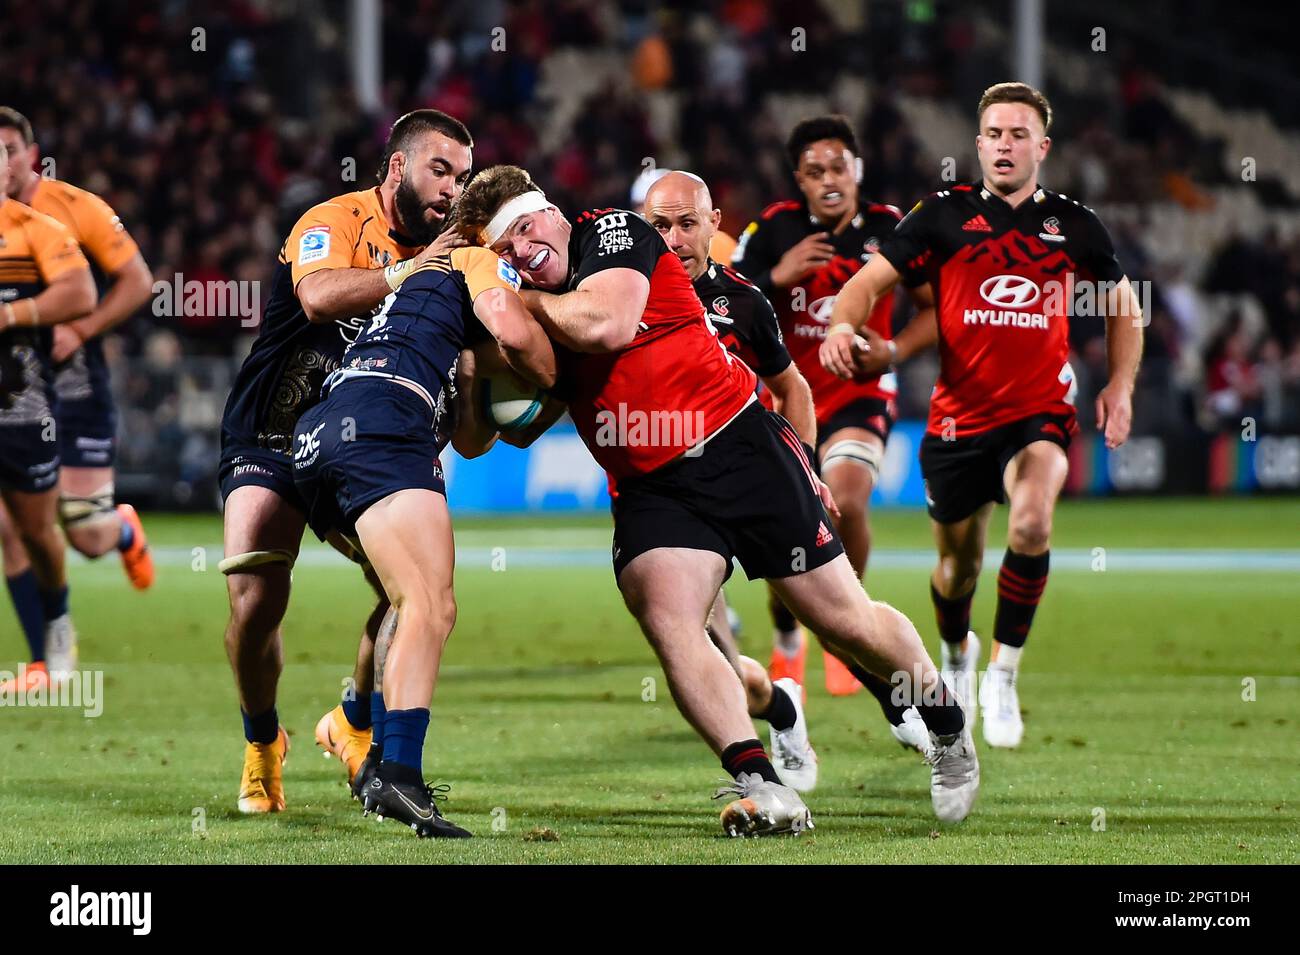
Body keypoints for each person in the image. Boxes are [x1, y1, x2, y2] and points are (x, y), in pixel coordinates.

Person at [456, 165, 980, 833]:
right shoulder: (542, 298)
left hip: (737, 446)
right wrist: (476, 365)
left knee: (845, 622)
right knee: (671, 619)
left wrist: (508, 304)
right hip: (652, 486)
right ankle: (764, 786)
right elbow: (511, 431)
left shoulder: (614, 233)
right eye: (504, 249)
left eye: (527, 227)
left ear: (555, 213)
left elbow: (609, 325)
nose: (523, 250)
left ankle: (945, 723)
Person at [821, 82, 1144, 748]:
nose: (1005, 144)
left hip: (1041, 412)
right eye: (994, 133)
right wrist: (839, 329)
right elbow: (865, 284)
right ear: (978, 143)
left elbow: (1123, 308)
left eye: (1018, 134)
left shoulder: (1074, 224)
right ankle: (958, 654)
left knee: (1031, 520)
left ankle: (1003, 673)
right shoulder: (941, 216)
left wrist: (1121, 383)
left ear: (1042, 147)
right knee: (956, 570)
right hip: (959, 420)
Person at [217, 109, 472, 814]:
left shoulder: (460, 250)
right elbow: (319, 293)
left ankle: (353, 723)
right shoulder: (333, 218)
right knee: (256, 598)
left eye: (463, 176)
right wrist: (415, 269)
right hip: (273, 427)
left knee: (408, 592)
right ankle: (263, 742)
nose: (453, 189)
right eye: (439, 169)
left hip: (363, 442)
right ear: (397, 168)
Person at [293, 244, 556, 837]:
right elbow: (522, 342)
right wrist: (562, 370)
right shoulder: (475, 259)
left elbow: (469, 442)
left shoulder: (421, 309)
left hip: (321, 436)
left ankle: (354, 718)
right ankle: (399, 775)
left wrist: (469, 378)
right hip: (383, 421)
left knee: (399, 601)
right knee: (429, 606)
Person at [732, 115, 935, 709]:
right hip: (787, 401)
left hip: (860, 395)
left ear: (858, 170)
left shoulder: (891, 228)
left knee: (844, 501)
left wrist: (893, 350)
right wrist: (776, 275)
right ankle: (790, 631)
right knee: (787, 531)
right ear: (798, 177)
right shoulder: (772, 228)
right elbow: (719, 297)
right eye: (814, 170)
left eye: (839, 167)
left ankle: (848, 626)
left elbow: (936, 310)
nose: (829, 180)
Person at [642, 169, 819, 790]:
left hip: (748, 483)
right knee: (706, 654)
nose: (674, 238)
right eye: (659, 226)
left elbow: (790, 386)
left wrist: (807, 471)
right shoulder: (617, 296)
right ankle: (779, 708)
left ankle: (759, 775)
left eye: (687, 224)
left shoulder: (743, 301)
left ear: (714, 225)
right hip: (664, 508)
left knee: (836, 614)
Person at [0, 142, 96, 689]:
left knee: (37, 533)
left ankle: (57, 625)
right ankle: (43, 658)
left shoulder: (34, 229)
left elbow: (80, 292)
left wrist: (12, 313)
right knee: (5, 531)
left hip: (22, 409)